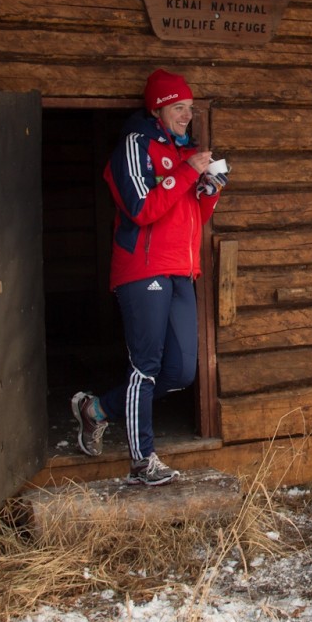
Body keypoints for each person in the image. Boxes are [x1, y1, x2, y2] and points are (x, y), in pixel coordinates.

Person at [70, 69, 225, 486]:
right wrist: (189, 173)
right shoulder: (134, 146)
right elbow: (140, 209)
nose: (187, 116)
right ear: (158, 107)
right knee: (147, 365)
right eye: (179, 108)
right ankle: (142, 462)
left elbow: (191, 215)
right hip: (143, 269)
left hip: (181, 268)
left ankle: (97, 410)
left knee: (180, 372)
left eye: (190, 109)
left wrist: (208, 192)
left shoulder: (183, 152)